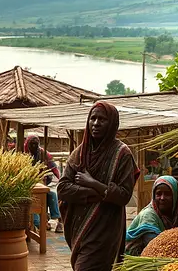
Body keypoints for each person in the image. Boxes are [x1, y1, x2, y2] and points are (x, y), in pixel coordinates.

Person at [58, 102, 138, 271]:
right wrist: (95, 192)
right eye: (92, 118)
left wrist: (92, 182)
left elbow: (124, 195)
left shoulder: (122, 154)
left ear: (112, 123)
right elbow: (63, 188)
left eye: (102, 119)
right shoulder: (80, 153)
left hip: (106, 229)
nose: (96, 123)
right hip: (80, 227)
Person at [124, 176, 178, 256]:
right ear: (153, 196)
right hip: (140, 256)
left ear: (175, 196)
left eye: (167, 194)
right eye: (158, 194)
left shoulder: (177, 214)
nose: (162, 198)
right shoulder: (148, 215)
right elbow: (155, 247)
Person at [25, 135, 64, 233]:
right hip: (28, 187)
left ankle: (57, 220)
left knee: (52, 195)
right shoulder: (24, 154)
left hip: (42, 184)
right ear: (28, 145)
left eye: (35, 144)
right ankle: (39, 224)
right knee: (35, 204)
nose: (34, 146)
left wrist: (60, 180)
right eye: (31, 144)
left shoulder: (44, 154)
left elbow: (54, 168)